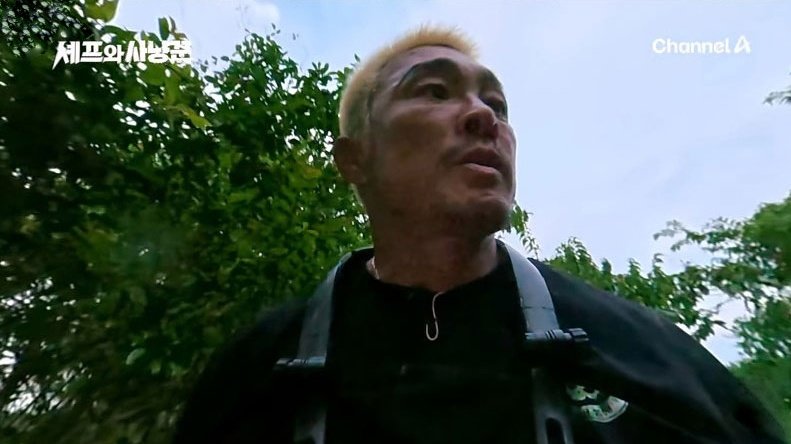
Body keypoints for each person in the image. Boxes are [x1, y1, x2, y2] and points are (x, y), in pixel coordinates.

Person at [173, 25, 786, 444]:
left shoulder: (650, 357)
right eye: (434, 91)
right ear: (354, 159)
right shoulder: (253, 379)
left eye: (497, 103)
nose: (483, 116)